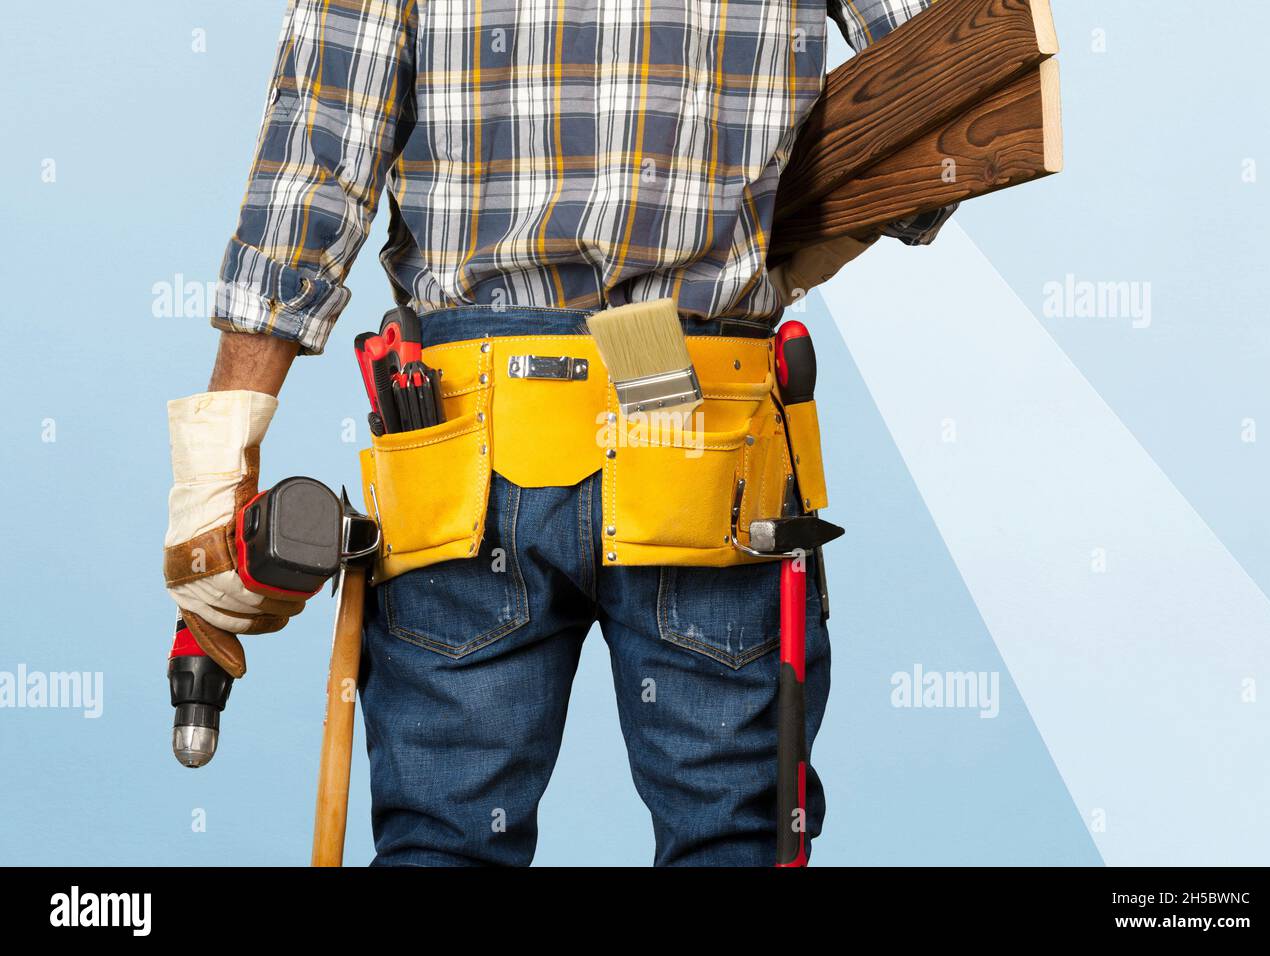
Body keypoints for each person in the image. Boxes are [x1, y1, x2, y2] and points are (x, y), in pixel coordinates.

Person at [164, 0, 953, 866]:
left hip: (469, 443)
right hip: (709, 436)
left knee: (444, 845)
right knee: (737, 840)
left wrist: (218, 460)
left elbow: (318, 149)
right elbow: (958, 81)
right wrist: (782, 248)